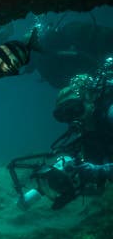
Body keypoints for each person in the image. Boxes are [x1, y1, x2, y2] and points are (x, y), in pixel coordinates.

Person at [10, 56, 113, 209]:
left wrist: (101, 170)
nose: (73, 118)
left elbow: (101, 171)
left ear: (90, 99)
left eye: (75, 109)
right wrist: (46, 187)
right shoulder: (86, 133)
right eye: (65, 115)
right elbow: (98, 187)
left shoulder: (110, 115)